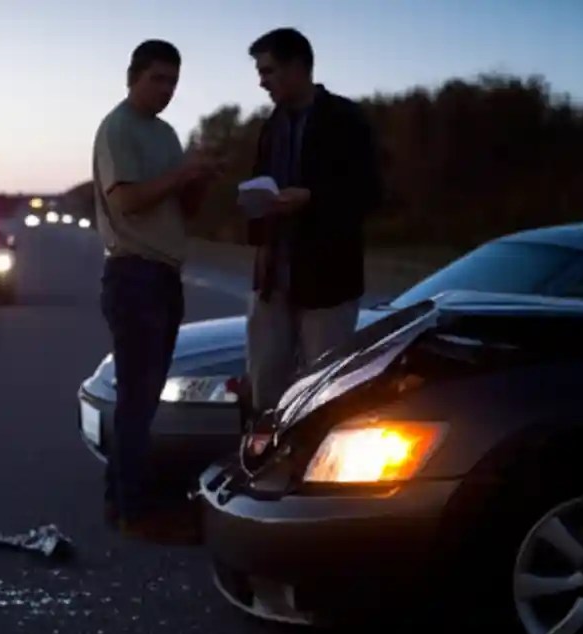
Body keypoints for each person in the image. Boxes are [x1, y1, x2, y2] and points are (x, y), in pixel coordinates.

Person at [92, 39, 220, 543]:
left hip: (164, 273)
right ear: (133, 77)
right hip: (134, 274)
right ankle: (135, 511)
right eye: (157, 79)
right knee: (138, 399)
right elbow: (126, 202)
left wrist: (198, 178)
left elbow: (178, 207)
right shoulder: (118, 127)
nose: (165, 90)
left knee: (142, 398)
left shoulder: (166, 134)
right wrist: (180, 173)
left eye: (173, 82)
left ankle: (118, 499)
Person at [242, 28, 383, 417]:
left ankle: (316, 472)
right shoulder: (271, 125)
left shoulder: (345, 119)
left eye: (268, 71)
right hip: (272, 278)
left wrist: (312, 198)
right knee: (265, 386)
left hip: (327, 280)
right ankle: (264, 467)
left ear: (297, 66)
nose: (261, 81)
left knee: (324, 392)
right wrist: (257, 204)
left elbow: (369, 191)